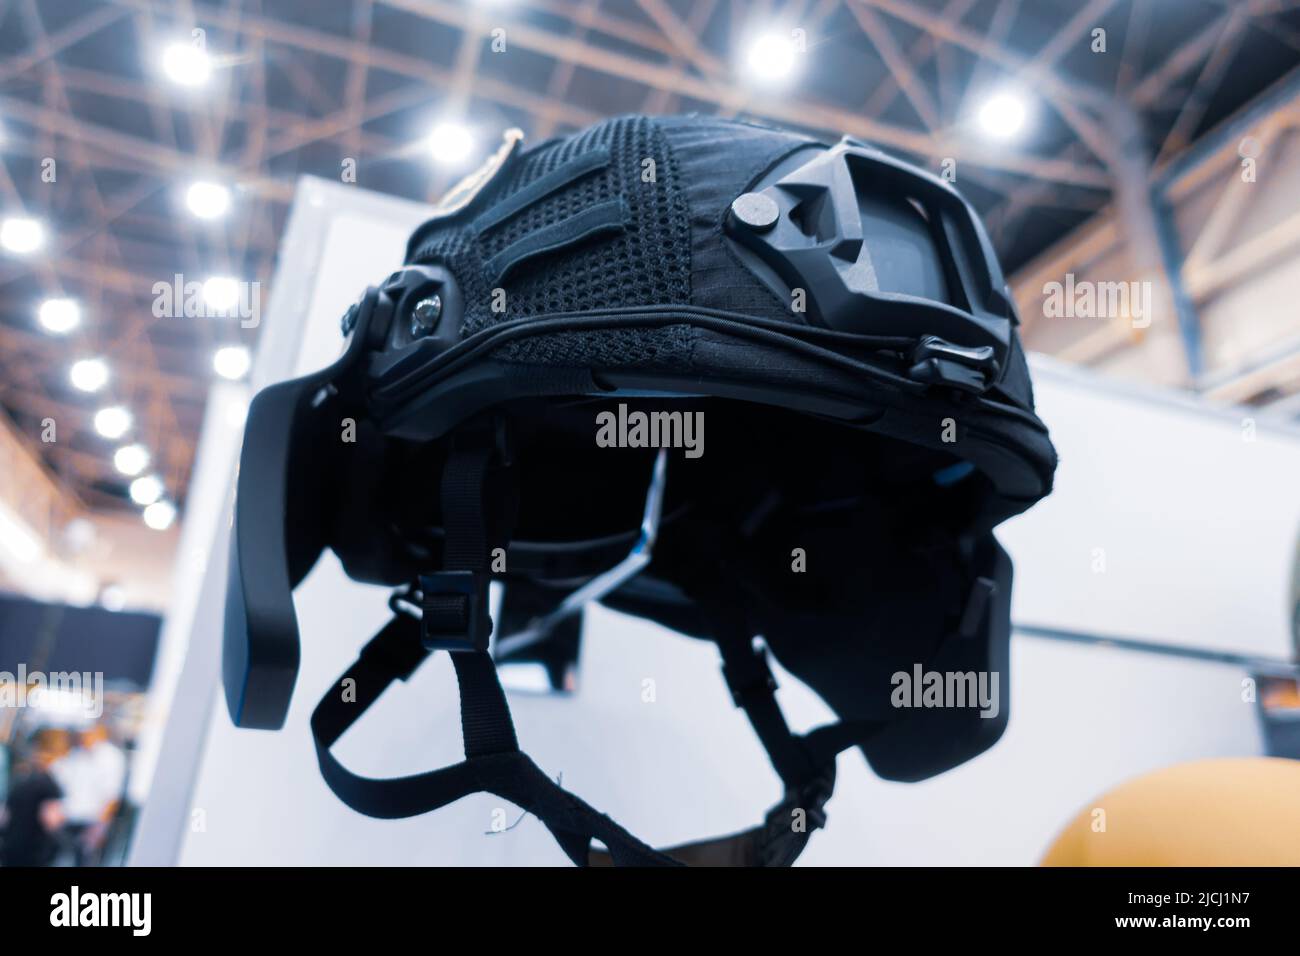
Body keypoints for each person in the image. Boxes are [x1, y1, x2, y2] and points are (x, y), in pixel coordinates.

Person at [50, 723, 126, 866]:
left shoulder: (110, 757)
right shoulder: (76, 754)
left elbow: (112, 797)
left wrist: (99, 828)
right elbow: (59, 779)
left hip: (90, 825)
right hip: (65, 821)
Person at [1, 728, 67, 867]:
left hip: (11, 848)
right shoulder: (48, 784)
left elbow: (5, 816)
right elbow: (51, 820)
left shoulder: (20, 780)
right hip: (34, 851)